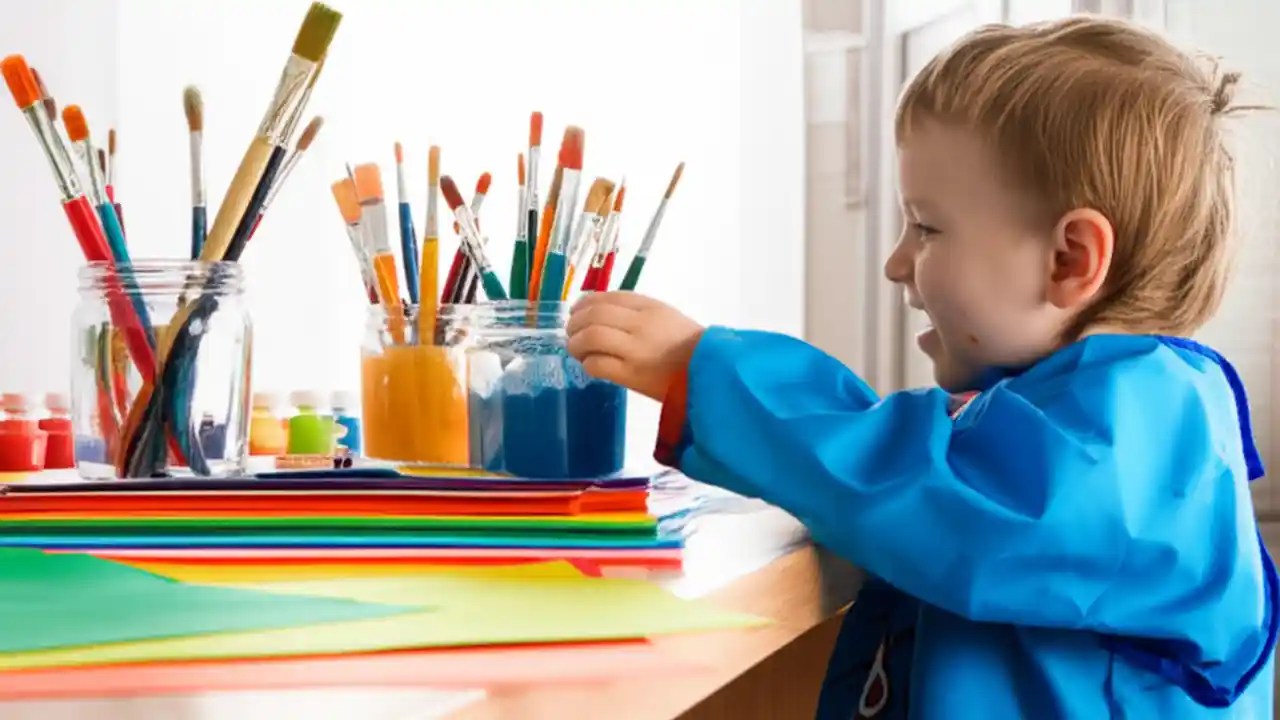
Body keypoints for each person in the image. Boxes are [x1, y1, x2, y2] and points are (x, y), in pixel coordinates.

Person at [566, 16, 1276, 719]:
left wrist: (706, 371)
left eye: (927, 227)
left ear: (1070, 260)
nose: (896, 263)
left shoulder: (1147, 430)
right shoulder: (1069, 416)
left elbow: (933, 488)